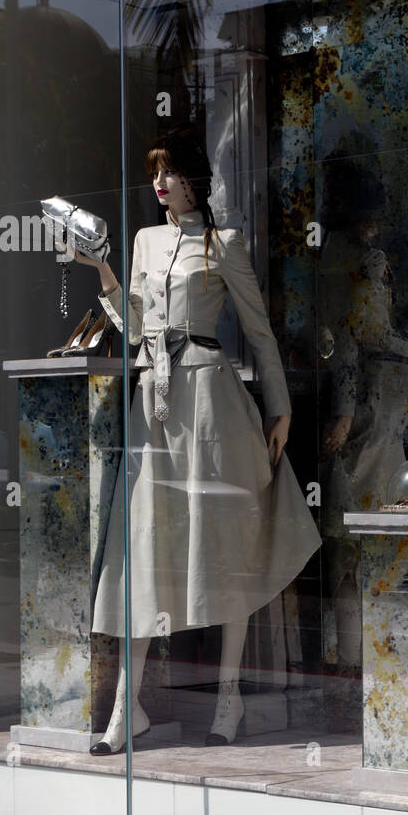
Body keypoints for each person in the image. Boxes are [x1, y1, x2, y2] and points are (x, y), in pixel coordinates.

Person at [78, 125, 320, 754]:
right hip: (153, 405)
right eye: (154, 175)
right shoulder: (144, 240)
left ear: (194, 179)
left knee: (225, 542)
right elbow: (133, 328)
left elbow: (260, 333)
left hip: (211, 403)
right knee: (142, 546)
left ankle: (230, 697)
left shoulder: (223, 244)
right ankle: (126, 707)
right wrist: (105, 272)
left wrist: (281, 407)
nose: (159, 185)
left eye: (170, 173)